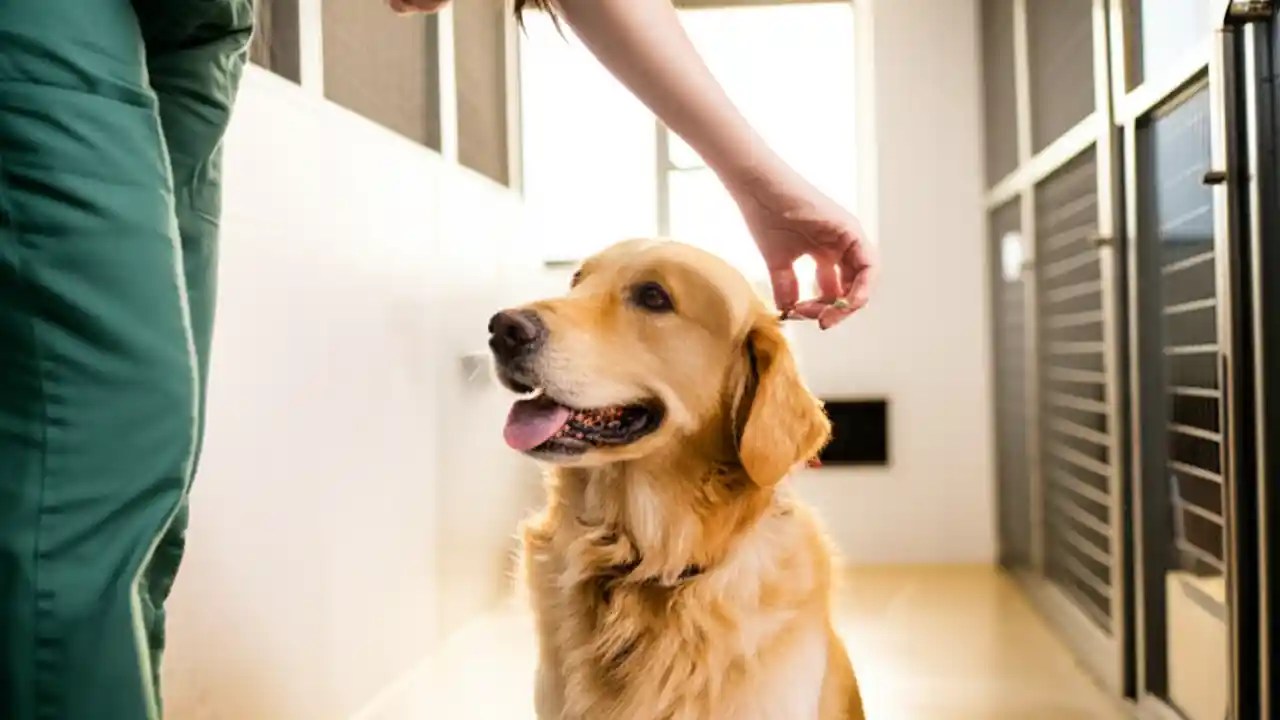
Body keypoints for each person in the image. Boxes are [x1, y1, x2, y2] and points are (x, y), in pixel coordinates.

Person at [0, 1, 871, 719]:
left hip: (200, 22)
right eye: (582, 284)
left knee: (154, 466)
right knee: (96, 443)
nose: (540, 319)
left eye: (649, 301)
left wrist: (757, 179)